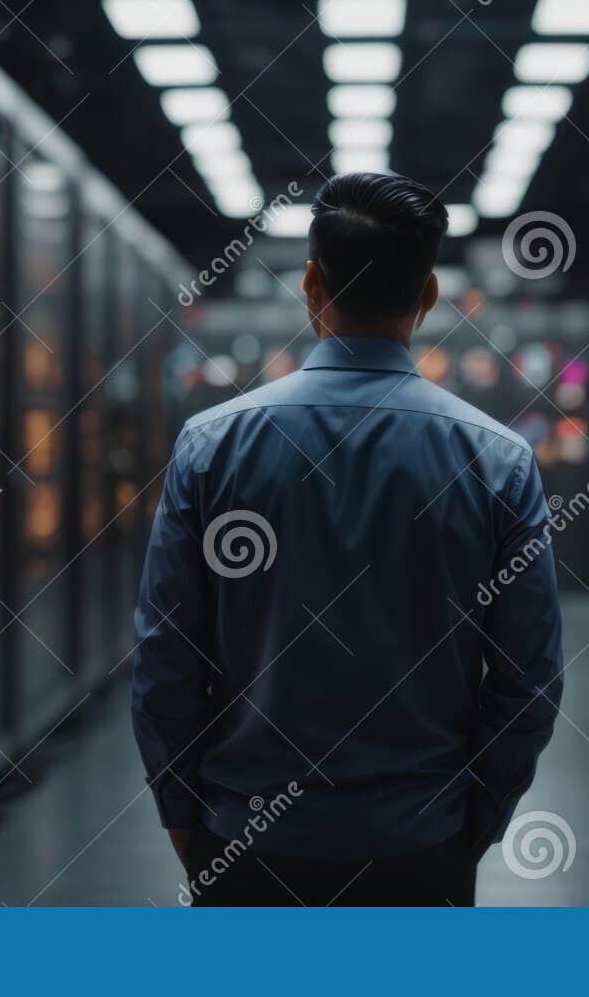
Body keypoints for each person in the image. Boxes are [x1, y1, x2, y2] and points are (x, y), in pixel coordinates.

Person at [131, 172, 563, 906]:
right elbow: (527, 681)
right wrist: (470, 825)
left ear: (309, 284)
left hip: (247, 841)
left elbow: (167, 660)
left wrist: (186, 821)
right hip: (421, 848)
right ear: (427, 296)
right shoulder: (499, 460)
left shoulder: (211, 445)